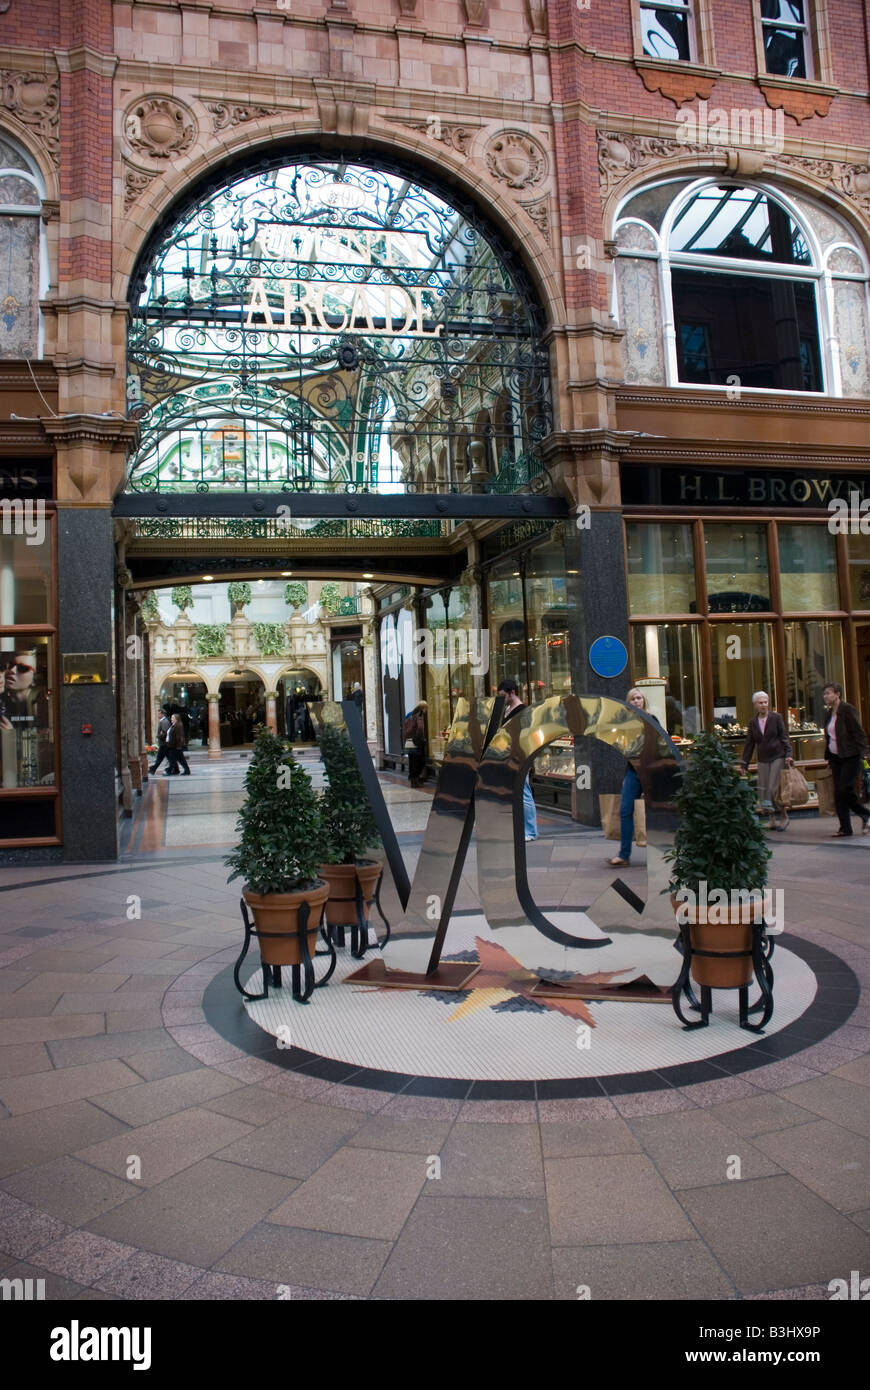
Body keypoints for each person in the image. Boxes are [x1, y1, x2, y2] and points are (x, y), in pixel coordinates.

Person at [608, 687, 659, 867]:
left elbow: (657, 744)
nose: (637, 701)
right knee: (625, 810)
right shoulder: (626, 723)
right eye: (633, 699)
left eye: (639, 698)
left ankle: (660, 852)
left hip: (650, 771)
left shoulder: (651, 719)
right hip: (633, 772)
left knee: (657, 811)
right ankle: (624, 854)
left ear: (644, 701)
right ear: (628, 702)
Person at [738, 691, 793, 831]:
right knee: (764, 791)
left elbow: (784, 737)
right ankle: (771, 819)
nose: (763, 705)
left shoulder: (776, 718)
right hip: (762, 758)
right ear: (755, 705)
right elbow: (749, 744)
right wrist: (744, 763)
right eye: (760, 703)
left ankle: (784, 815)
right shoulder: (753, 722)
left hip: (777, 756)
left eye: (765, 702)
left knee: (773, 788)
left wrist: (788, 754)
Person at [823, 681, 869, 838]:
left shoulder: (848, 710)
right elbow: (830, 737)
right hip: (836, 758)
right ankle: (845, 828)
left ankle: (865, 813)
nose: (826, 696)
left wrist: (863, 754)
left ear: (837, 694)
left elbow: (859, 733)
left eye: (829, 693)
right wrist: (829, 756)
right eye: (824, 694)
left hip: (851, 756)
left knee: (844, 789)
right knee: (838, 793)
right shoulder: (829, 714)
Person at [497, 677, 537, 842]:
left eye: (502, 696)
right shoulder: (507, 709)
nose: (501, 699)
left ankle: (531, 831)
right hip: (509, 756)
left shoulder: (522, 711)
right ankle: (520, 828)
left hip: (520, 756)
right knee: (516, 793)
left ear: (512, 693)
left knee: (524, 793)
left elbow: (525, 736)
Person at [403, 700, 429, 788]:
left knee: (412, 763)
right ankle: (416, 780)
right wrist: (420, 738)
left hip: (408, 742)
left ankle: (413, 781)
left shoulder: (410, 714)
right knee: (420, 761)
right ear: (423, 708)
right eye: (426, 708)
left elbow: (405, 728)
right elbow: (420, 728)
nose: (426, 710)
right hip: (416, 743)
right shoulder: (419, 715)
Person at [149, 704, 172, 773]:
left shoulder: (164, 722)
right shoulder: (163, 721)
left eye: (159, 714)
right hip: (164, 743)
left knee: (160, 758)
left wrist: (159, 736)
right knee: (168, 758)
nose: (158, 715)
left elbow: (165, 732)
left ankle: (153, 769)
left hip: (164, 743)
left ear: (162, 714)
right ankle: (175, 768)